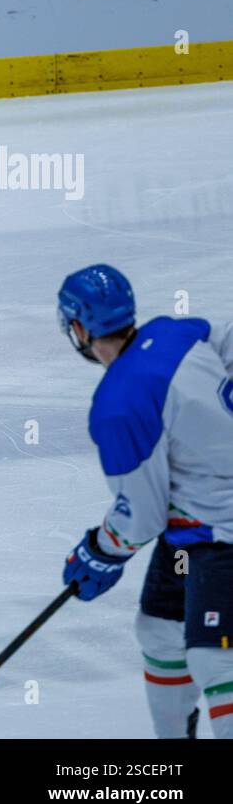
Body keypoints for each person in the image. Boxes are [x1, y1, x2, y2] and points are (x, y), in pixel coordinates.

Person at [57, 264, 233, 738]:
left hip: (221, 534)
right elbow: (227, 337)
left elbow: (141, 515)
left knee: (215, 655)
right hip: (191, 537)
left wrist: (100, 551)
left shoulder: (118, 405)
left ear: (78, 328)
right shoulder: (174, 331)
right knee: (160, 628)